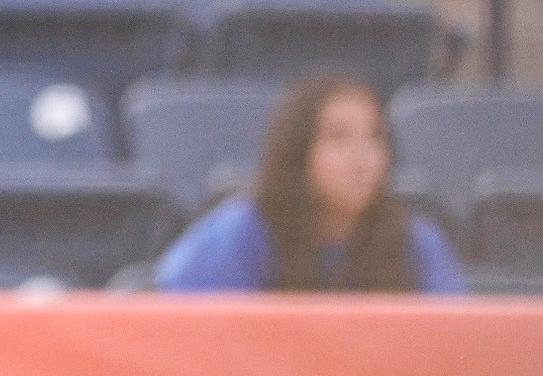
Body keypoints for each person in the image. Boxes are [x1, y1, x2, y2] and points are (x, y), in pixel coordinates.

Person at [156, 75, 466, 294]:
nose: (363, 158)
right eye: (338, 137)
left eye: (374, 136)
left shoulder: (417, 241)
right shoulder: (240, 232)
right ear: (298, 151)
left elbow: (451, 348)